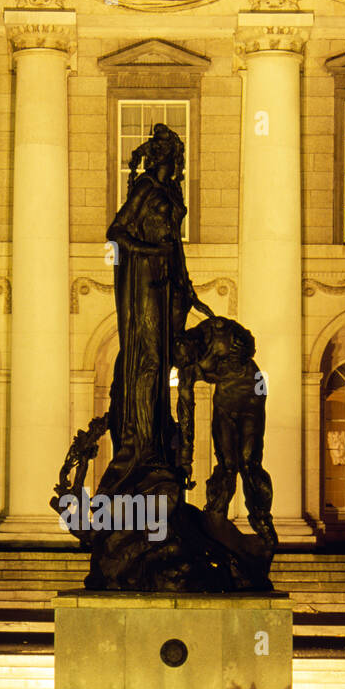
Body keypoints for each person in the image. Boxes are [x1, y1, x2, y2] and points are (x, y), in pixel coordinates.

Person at [100, 122, 211, 495]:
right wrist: (150, 253)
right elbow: (117, 231)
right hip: (144, 280)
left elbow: (175, 244)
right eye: (166, 152)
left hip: (169, 282)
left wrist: (186, 284)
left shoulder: (169, 191)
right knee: (148, 357)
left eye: (173, 152)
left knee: (165, 359)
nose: (171, 158)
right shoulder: (146, 188)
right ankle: (140, 445)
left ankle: (160, 442)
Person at [175, 316, 277, 550]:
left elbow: (249, 339)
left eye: (188, 356)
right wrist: (186, 456)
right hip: (224, 402)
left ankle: (262, 521)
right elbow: (186, 410)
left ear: (190, 342)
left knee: (249, 461)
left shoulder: (217, 328)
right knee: (227, 462)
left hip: (252, 393)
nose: (188, 363)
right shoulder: (187, 369)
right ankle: (216, 514)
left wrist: (244, 349)